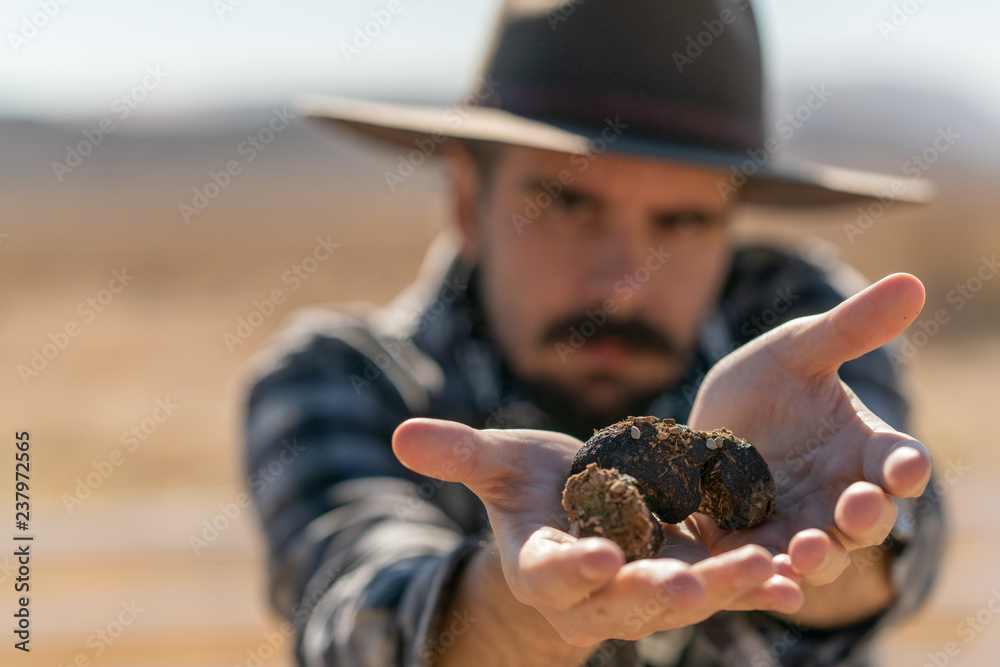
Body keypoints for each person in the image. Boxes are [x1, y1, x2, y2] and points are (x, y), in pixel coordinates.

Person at [244, 1, 944, 665]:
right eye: (569, 203)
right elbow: (353, 617)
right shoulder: (347, 376)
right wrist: (531, 608)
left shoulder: (797, 322)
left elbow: (905, 549)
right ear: (466, 201)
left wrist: (837, 540)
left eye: (682, 221)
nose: (625, 283)